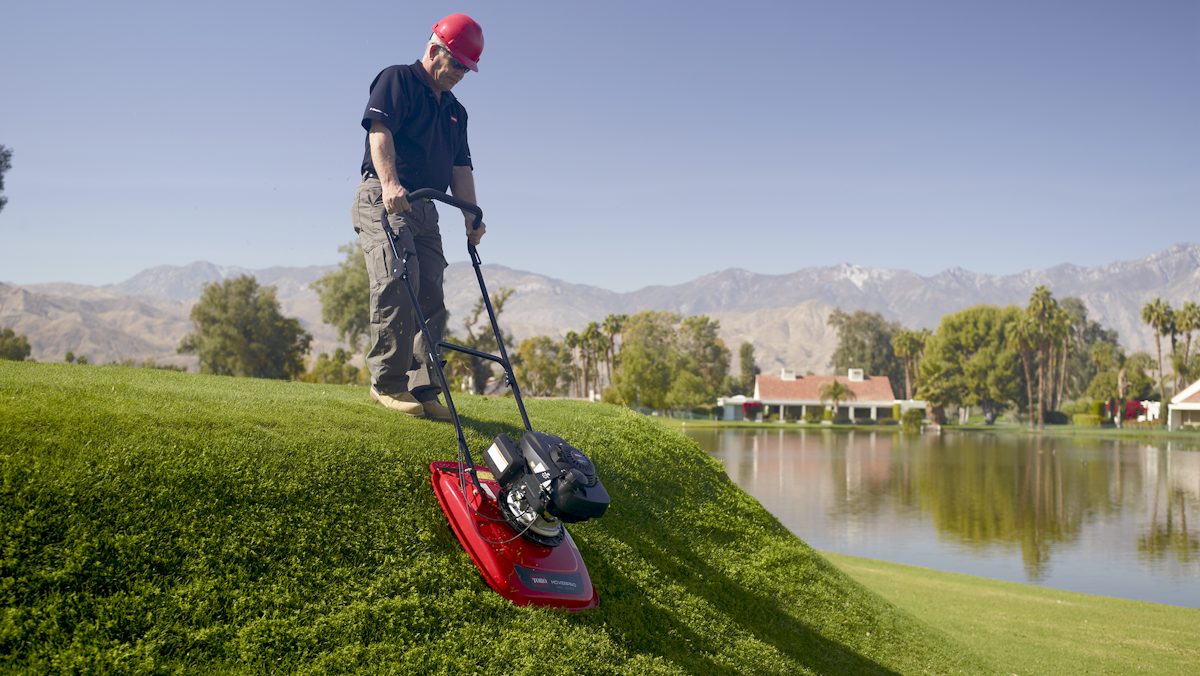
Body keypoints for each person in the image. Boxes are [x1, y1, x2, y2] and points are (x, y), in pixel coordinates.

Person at [351, 13, 485, 420]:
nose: (461, 73)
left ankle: (425, 389)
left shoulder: (456, 112)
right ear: (433, 50)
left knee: (431, 295)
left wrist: (471, 215)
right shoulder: (397, 80)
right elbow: (379, 132)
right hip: (385, 198)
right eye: (457, 63)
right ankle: (388, 384)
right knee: (396, 278)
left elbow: (461, 167)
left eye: (467, 68)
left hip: (427, 208)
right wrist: (390, 184)